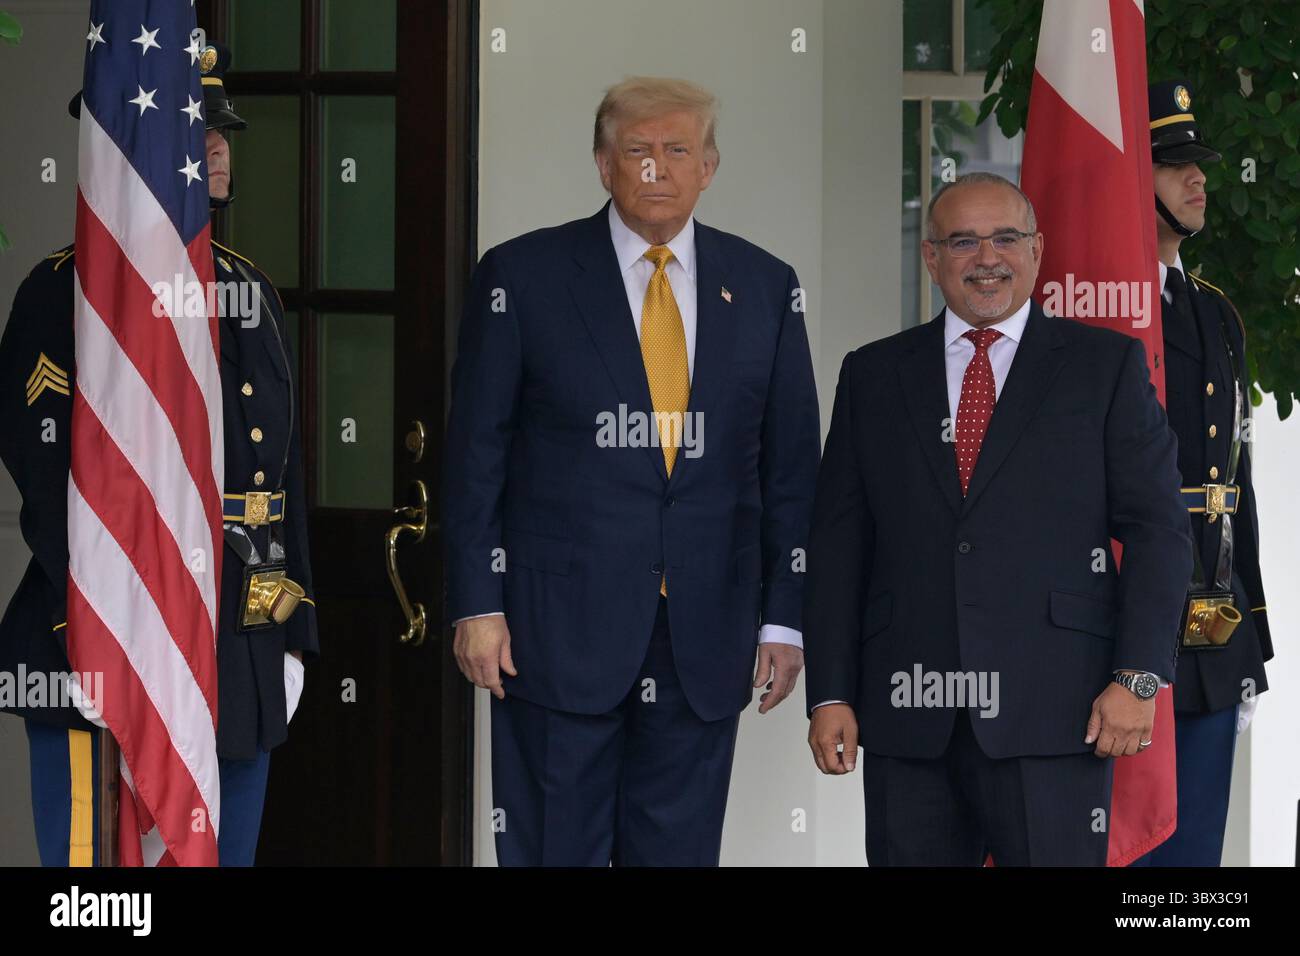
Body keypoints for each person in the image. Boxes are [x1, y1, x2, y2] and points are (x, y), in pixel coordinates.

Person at [443, 76, 820, 865]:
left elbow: (789, 470)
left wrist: (784, 617)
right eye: (637, 151)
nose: (656, 169)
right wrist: (477, 602)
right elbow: (477, 454)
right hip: (552, 634)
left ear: (709, 167)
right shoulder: (523, 277)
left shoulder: (764, 286)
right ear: (602, 164)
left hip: (705, 635)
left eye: (677, 150)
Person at [803, 172, 1192, 866]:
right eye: (963, 241)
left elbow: (1159, 531)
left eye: (1006, 238)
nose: (987, 258)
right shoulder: (873, 375)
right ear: (931, 257)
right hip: (906, 714)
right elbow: (838, 547)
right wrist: (829, 692)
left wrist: (1138, 678)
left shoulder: (1104, 368)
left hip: (1059, 712)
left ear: (1037, 249)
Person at [0, 42, 317, 866]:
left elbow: (280, 480)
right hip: (102, 626)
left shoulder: (251, 292)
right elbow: (45, 479)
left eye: (220, 133)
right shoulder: (58, 292)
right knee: (97, 894)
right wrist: (111, 620)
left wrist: (292, 627)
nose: (215, 147)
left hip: (237, 644)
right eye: (193, 132)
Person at [1131, 80, 1272, 867]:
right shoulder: (1098, 308)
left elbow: (1234, 486)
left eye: (1200, 165)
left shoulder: (1213, 310)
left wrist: (1250, 636)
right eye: (1174, 164)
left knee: (1194, 857)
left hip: (1213, 625)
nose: (1199, 179)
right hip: (1123, 616)